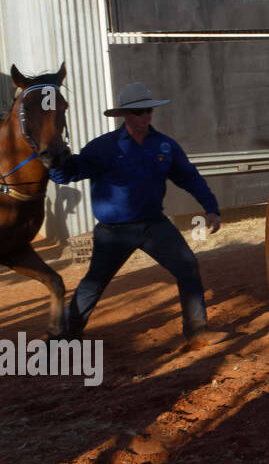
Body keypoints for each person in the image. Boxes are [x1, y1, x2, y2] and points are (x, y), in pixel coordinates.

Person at [49, 82, 226, 350]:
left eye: (148, 111)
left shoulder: (164, 146)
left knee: (187, 266)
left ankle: (197, 331)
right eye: (139, 112)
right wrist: (53, 161)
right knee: (93, 285)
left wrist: (210, 207)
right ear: (124, 115)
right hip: (113, 232)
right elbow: (68, 174)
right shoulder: (102, 148)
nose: (145, 117)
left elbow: (189, 177)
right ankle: (63, 339)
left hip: (154, 225)